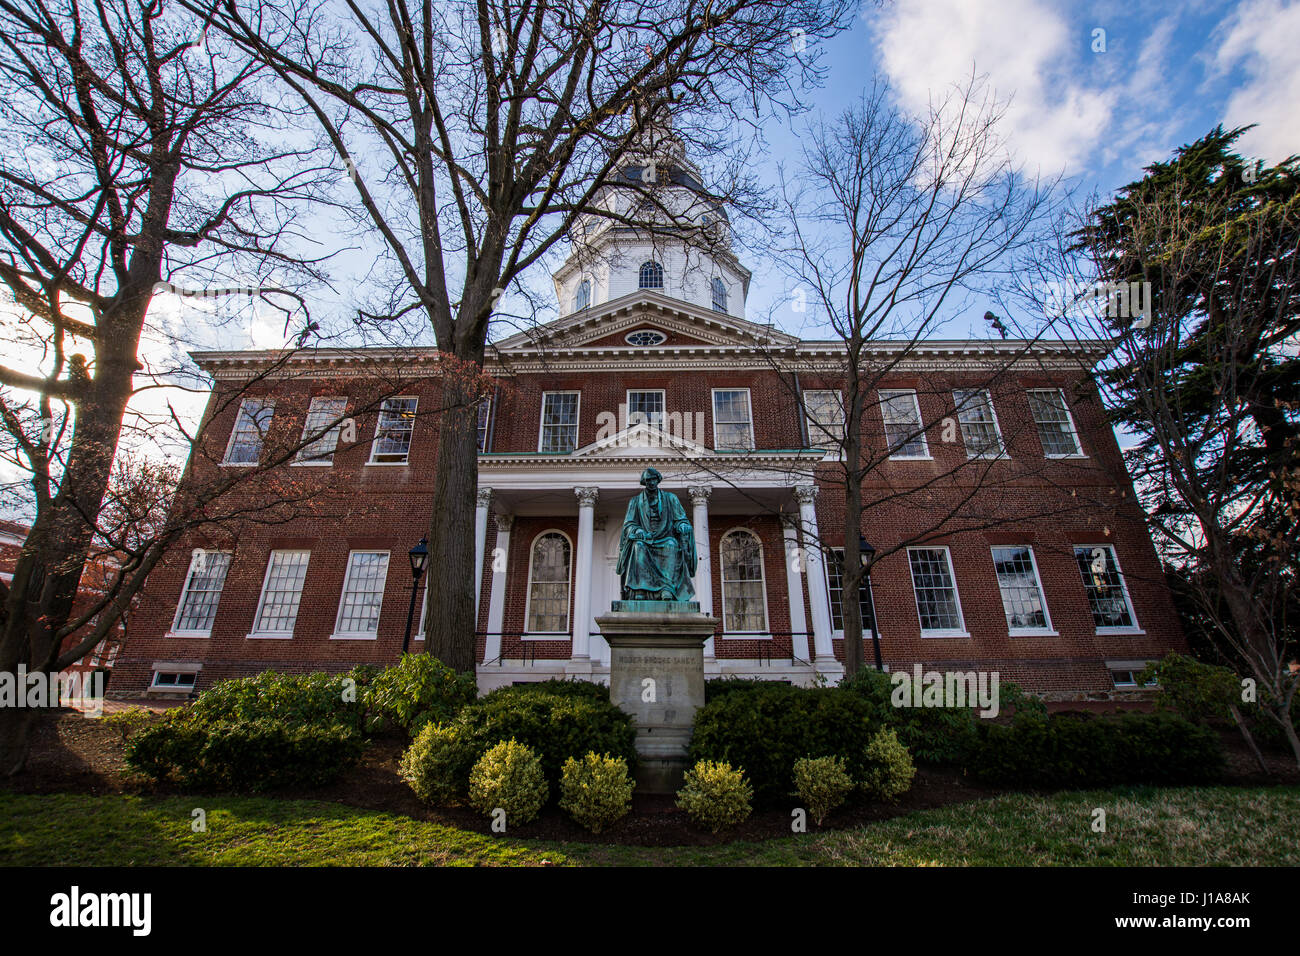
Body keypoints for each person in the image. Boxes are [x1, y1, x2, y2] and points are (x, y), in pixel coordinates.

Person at [617, 467, 697, 601]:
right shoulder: (635, 502)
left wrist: (683, 525)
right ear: (644, 482)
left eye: (653, 479)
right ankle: (640, 589)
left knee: (671, 545)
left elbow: (680, 519)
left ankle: (667, 588)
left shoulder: (671, 498)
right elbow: (629, 524)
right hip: (645, 539)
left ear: (658, 480)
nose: (651, 483)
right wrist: (638, 530)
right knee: (638, 547)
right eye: (648, 480)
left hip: (665, 538)